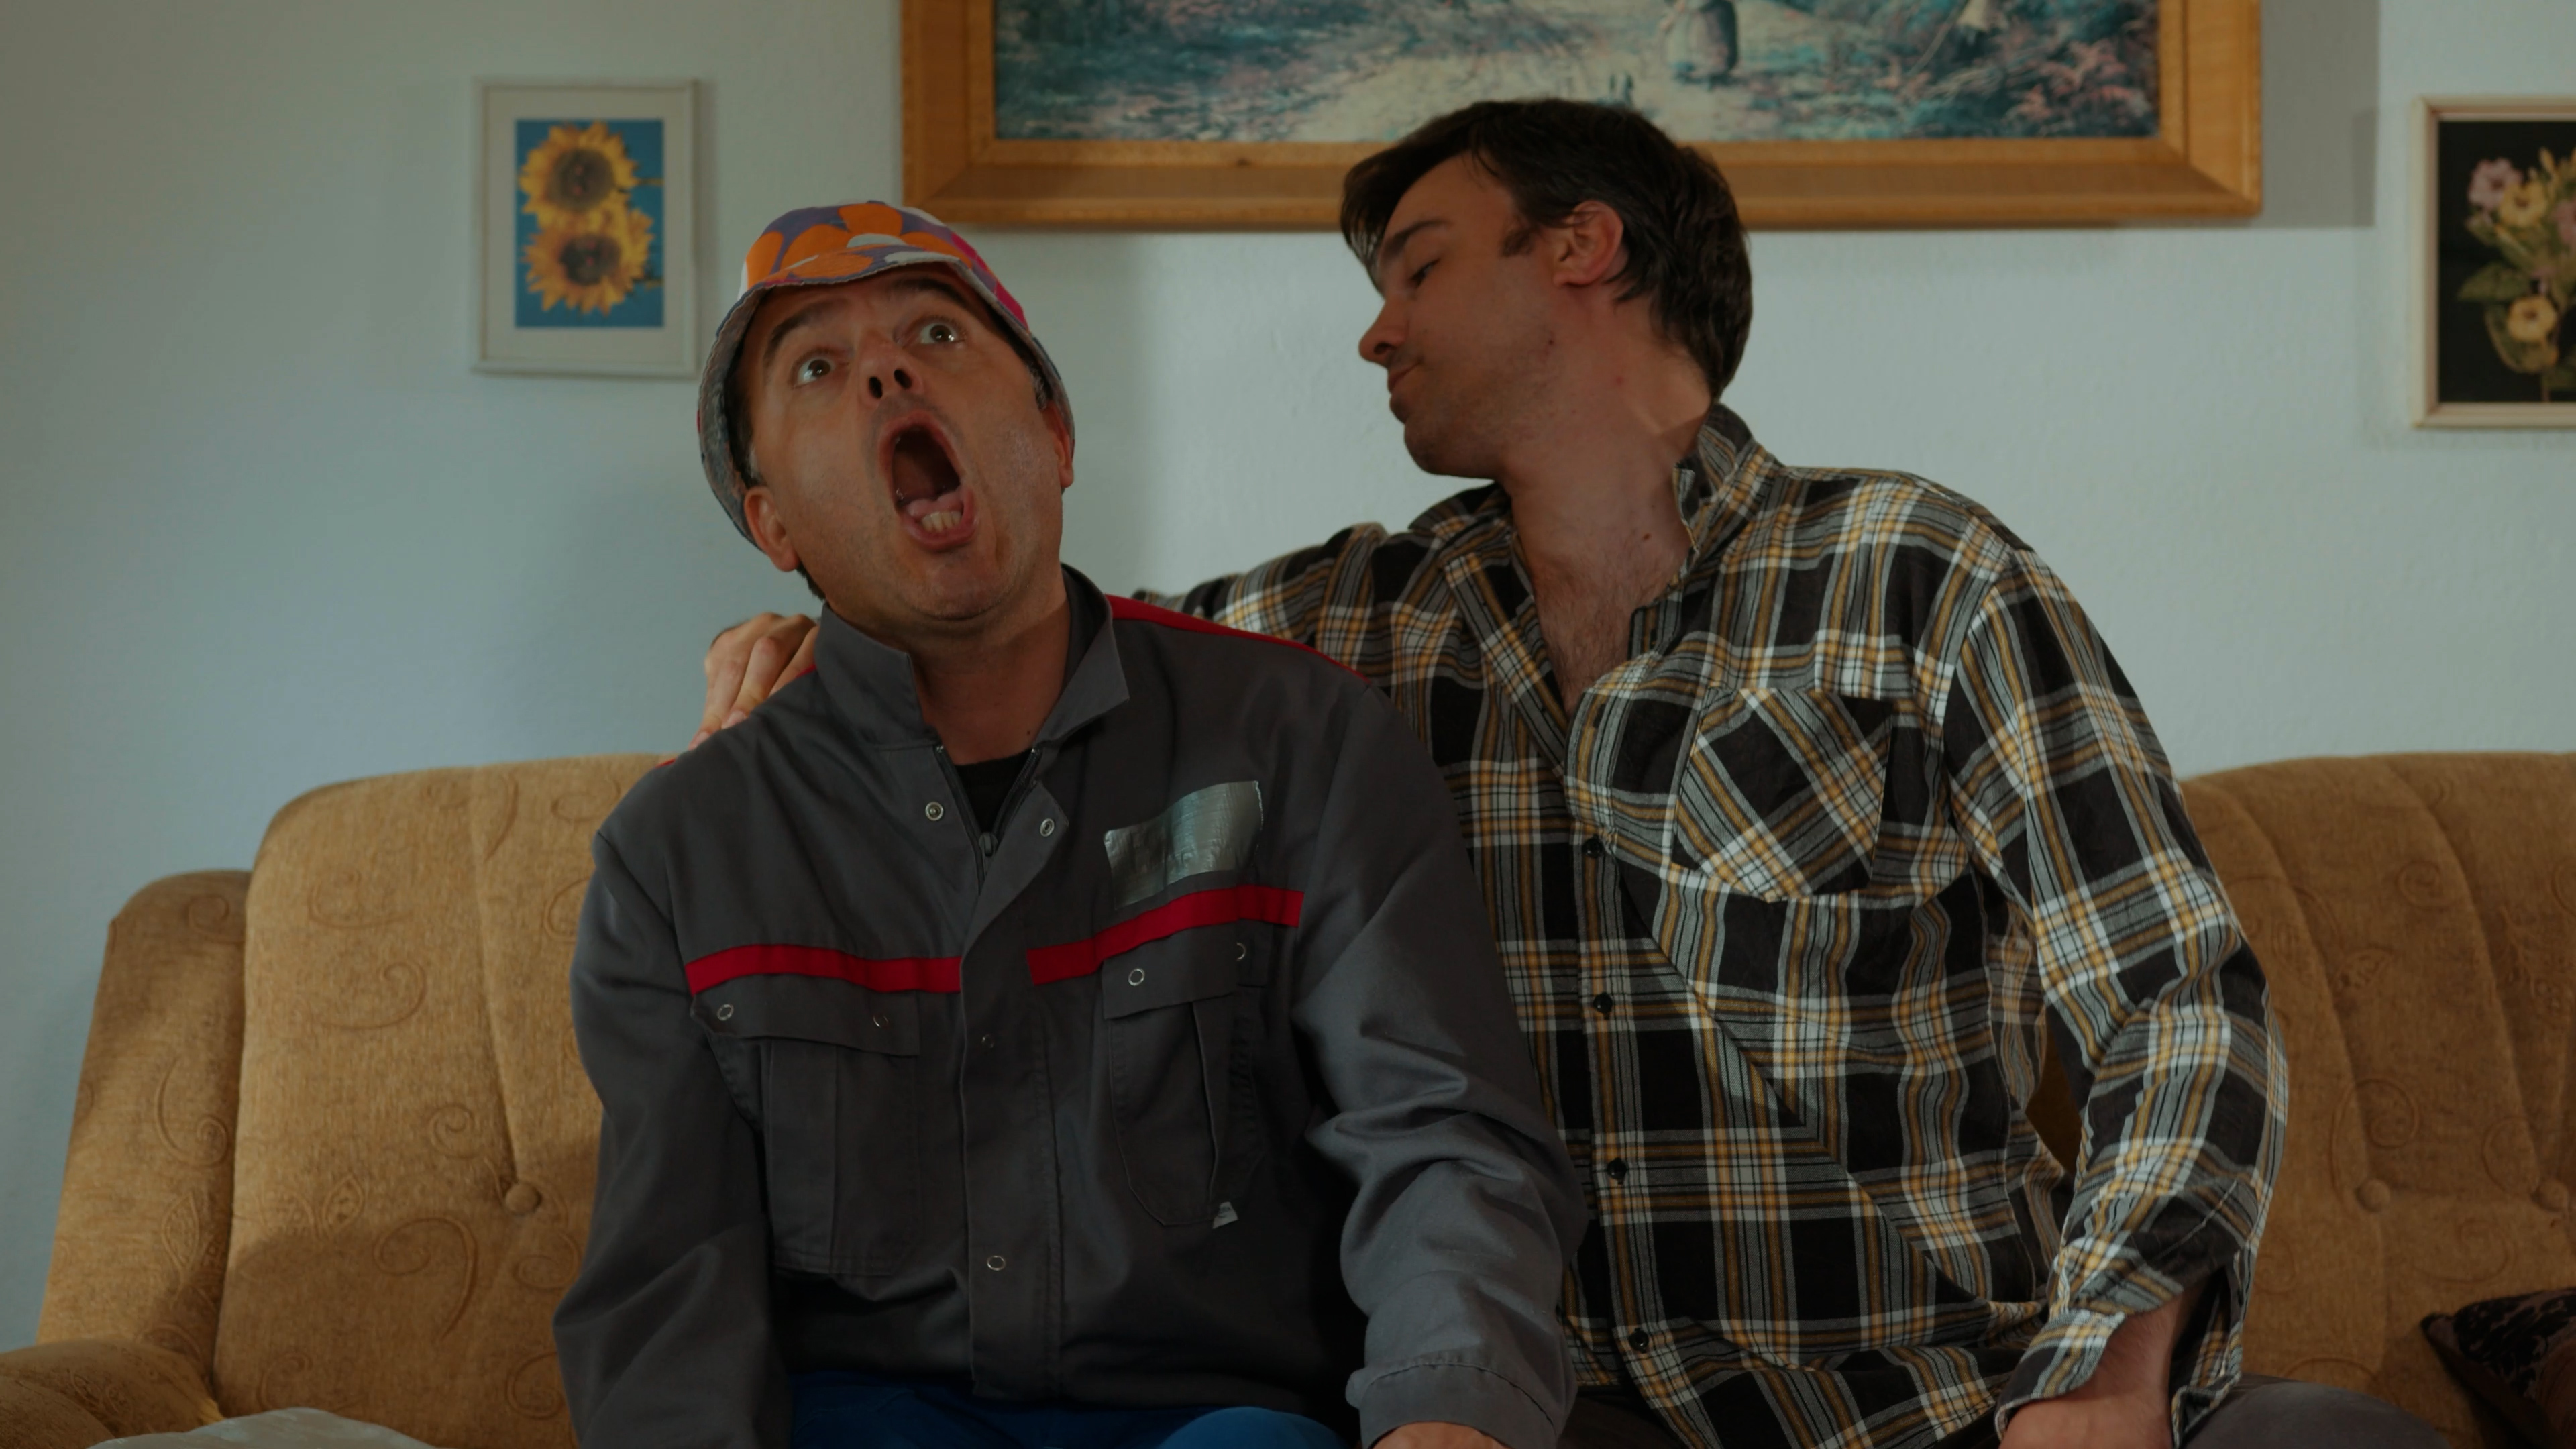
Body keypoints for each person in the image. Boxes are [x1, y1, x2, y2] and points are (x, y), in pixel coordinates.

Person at [696, 109, 2442, 1449]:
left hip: (1945, 1398)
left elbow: (2174, 1003)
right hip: (1545, 1416)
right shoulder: (1353, 625)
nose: (1375, 335)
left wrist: (2108, 1376)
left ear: (1584, 249)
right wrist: (827, 650)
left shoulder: (1921, 575)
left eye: (1417, 270)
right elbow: (1034, 652)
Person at [556, 201, 1588, 1449]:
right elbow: (669, 1296)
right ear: (771, 522)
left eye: (937, 333)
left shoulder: (1302, 739)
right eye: (815, 368)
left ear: (1056, 435)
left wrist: (1448, 1411)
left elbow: (1439, 1136)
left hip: (1217, 1424)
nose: (886, 371)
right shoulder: (679, 851)